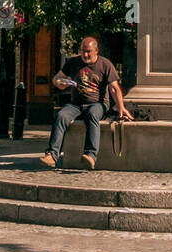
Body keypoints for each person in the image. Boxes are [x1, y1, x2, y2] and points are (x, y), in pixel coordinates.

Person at [40, 37, 132, 170]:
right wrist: (59, 82)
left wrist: (121, 107)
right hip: (76, 104)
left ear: (96, 51)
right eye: (83, 51)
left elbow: (114, 88)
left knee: (92, 114)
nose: (85, 55)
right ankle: (52, 155)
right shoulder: (72, 62)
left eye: (89, 51)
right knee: (61, 115)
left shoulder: (105, 64)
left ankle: (90, 155)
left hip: (98, 104)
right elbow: (57, 78)